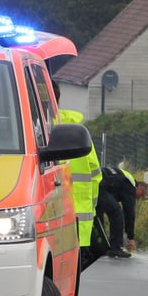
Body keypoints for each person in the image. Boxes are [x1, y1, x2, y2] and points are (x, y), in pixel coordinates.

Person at [53, 81, 104, 269]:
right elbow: (95, 174)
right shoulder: (76, 130)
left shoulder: (33, 128)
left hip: (49, 226)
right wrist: (91, 209)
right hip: (79, 224)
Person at [97, 166, 148, 258]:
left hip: (95, 182)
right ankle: (115, 248)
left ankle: (100, 246)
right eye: (142, 195)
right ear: (140, 188)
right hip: (101, 185)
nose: (139, 198)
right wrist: (131, 238)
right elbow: (129, 213)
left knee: (98, 213)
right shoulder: (131, 186)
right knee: (117, 213)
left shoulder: (124, 180)